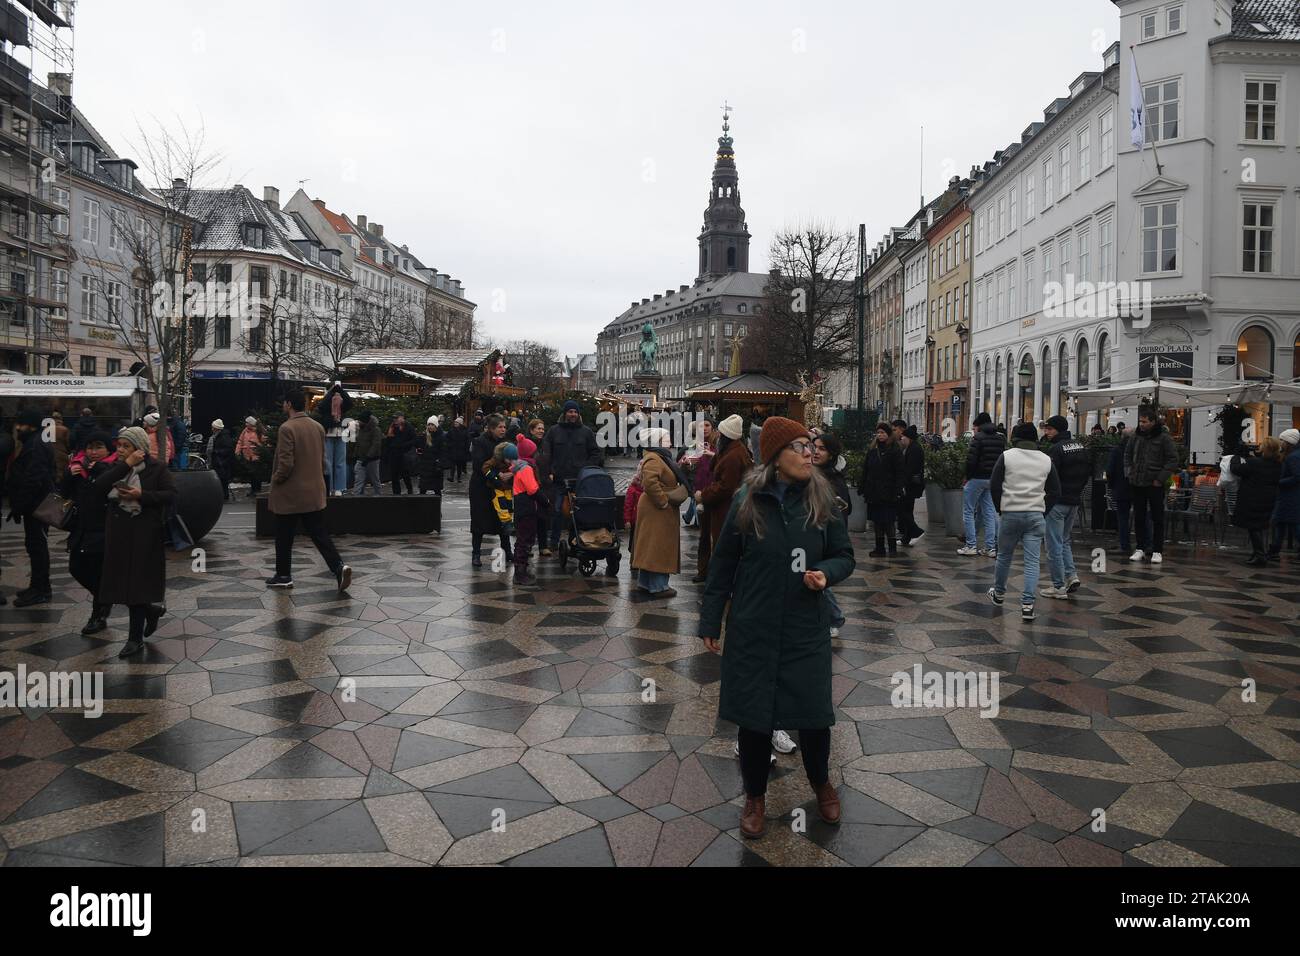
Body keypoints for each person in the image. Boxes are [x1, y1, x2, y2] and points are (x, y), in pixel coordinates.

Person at [700, 415, 856, 838]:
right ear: (774, 457)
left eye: (810, 446)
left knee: (813, 716)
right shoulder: (747, 501)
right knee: (754, 719)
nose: (809, 453)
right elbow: (723, 566)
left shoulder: (821, 501)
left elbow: (845, 555)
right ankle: (754, 796)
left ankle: (821, 783)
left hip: (805, 627)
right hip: (754, 626)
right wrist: (710, 619)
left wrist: (826, 571)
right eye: (799, 447)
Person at [91, 427, 174, 657]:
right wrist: (125, 464)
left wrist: (142, 496)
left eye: (126, 446)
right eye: (119, 445)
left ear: (140, 448)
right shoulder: (117, 467)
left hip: (144, 532)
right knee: (122, 583)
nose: (120, 450)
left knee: (137, 585)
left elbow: (171, 494)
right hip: (118, 532)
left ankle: (134, 639)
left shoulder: (156, 468)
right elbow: (98, 487)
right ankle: (150, 611)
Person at [266, 388, 352, 592]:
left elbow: (286, 463)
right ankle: (338, 567)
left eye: (284, 403)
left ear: (288, 404)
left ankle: (283, 575)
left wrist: (276, 480)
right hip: (313, 492)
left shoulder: (287, 428)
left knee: (284, 536)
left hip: (291, 494)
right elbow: (323, 461)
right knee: (319, 534)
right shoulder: (317, 427)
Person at [988, 422, 1060, 623]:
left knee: (1004, 556)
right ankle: (1027, 605)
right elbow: (1055, 491)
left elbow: (994, 485)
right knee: (1032, 561)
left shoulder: (1007, 456)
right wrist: (1042, 510)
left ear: (1015, 437)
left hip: (1010, 513)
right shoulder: (1046, 460)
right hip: (1035, 515)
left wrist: (1000, 508)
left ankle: (999, 594)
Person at [61, 432, 117, 635]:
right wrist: (70, 475)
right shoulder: (79, 467)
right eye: (90, 447)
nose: (93, 452)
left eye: (98, 447)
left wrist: (98, 471)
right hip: (81, 528)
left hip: (103, 529)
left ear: (108, 449)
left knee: (98, 571)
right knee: (76, 568)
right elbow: (64, 493)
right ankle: (105, 599)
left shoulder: (113, 467)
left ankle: (98, 615)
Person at [631, 427, 687, 598]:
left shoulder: (660, 457)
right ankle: (658, 586)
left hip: (655, 508)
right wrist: (662, 501)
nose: (670, 441)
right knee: (657, 546)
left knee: (651, 546)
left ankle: (646, 583)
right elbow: (650, 482)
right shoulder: (655, 458)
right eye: (667, 438)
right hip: (656, 509)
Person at [7, 409, 55, 607]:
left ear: (32, 426)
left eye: (22, 425)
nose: (18, 428)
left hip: (39, 506)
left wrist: (19, 505)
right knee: (34, 546)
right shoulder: (34, 442)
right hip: (34, 505)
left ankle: (41, 589)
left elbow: (33, 479)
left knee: (37, 546)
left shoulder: (36, 445)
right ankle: (36, 585)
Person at [1040, 415, 1090, 600]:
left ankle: (1058, 586)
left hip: (1058, 502)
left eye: (1049, 429)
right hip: (1074, 501)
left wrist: (1048, 498)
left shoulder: (1056, 449)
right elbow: (1087, 473)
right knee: (1065, 540)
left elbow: (1050, 476)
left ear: (1058, 430)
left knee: (1053, 544)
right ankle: (1071, 576)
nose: (1046, 432)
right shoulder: (1081, 446)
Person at [543, 400, 602, 554]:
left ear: (578, 414)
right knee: (557, 511)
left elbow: (595, 453)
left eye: (575, 412)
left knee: (579, 511)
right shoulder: (554, 431)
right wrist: (549, 470)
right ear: (565, 413)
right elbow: (546, 454)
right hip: (559, 479)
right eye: (570, 412)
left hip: (580, 480)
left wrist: (586, 468)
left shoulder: (586, 432)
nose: (573, 414)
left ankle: (575, 539)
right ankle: (554, 542)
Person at [700, 413, 754, 573]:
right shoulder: (730, 450)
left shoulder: (733, 455)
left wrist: (703, 494)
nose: (718, 435)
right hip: (722, 507)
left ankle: (722, 582)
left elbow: (725, 487)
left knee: (722, 545)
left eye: (721, 433)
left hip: (726, 508)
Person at [1125, 406, 1179, 564]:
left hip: (1154, 483)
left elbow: (1172, 459)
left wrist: (1160, 479)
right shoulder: (1135, 436)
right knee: (1139, 516)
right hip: (1137, 482)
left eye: (1144, 421)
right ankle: (1140, 548)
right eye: (1140, 421)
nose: (1141, 424)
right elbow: (1127, 454)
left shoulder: (1163, 438)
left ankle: (1157, 550)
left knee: (1157, 517)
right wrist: (1129, 471)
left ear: (1153, 422)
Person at [813, 431, 851, 638]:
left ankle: (834, 617)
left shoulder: (833, 479)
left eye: (822, 448)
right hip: (811, 532)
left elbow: (843, 510)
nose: (816, 452)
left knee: (816, 576)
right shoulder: (810, 471)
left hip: (824, 536)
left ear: (831, 453)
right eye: (814, 447)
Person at [1232, 437, 1284, 566]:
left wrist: (1236, 456)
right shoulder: (1278, 464)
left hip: (1252, 499)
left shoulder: (1255, 463)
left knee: (1253, 526)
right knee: (1257, 526)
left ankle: (1260, 555)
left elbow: (1237, 469)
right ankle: (1257, 553)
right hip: (1268, 499)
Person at [469, 414, 511, 568]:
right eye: (500, 427)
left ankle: (507, 550)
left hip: (500, 487)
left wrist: (510, 473)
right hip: (481, 488)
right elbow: (479, 464)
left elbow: (512, 460)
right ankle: (476, 553)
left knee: (503, 518)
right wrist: (496, 475)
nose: (503, 429)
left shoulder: (505, 443)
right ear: (492, 428)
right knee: (479, 521)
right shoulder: (479, 442)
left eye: (504, 427)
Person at [959, 412, 1003, 556]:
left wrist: (967, 476)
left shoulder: (977, 438)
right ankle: (991, 548)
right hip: (992, 479)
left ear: (978, 426)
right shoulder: (1000, 438)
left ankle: (971, 545)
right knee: (989, 512)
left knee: (968, 511)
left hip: (977, 478)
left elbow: (971, 460)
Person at [858, 421, 903, 558]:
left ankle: (892, 548)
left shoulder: (894, 450)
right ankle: (879, 548)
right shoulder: (873, 450)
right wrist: (863, 486)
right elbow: (866, 469)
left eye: (882, 432)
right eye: (878, 433)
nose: (880, 435)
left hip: (888, 492)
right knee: (877, 521)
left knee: (888, 521)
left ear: (888, 434)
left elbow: (899, 472)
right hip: (874, 492)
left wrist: (897, 490)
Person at [682, 419, 716, 580]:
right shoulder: (695, 444)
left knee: (716, 535)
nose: (704, 429)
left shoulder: (720, 442)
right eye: (701, 426)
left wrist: (713, 456)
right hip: (700, 493)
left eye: (707, 425)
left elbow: (726, 462)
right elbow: (689, 466)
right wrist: (687, 463)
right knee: (704, 535)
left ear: (713, 427)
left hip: (717, 493)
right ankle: (702, 571)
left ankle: (716, 571)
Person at [510, 440, 546, 587]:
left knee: (522, 540)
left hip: (521, 507)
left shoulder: (519, 466)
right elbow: (532, 489)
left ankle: (520, 571)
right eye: (534, 451)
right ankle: (520, 574)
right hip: (526, 508)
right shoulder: (526, 468)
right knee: (524, 540)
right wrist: (545, 501)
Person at [314, 383, 353, 497]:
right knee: (328, 463)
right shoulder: (326, 404)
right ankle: (329, 487)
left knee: (340, 463)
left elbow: (350, 403)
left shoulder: (343, 404)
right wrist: (331, 392)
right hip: (328, 433)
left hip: (341, 433)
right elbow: (322, 406)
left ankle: (340, 488)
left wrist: (341, 390)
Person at [1268, 429, 1300, 561]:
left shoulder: (1293, 457)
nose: (1280, 443)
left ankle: (1274, 550)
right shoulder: (1293, 455)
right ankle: (1274, 550)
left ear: (1289, 442)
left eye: (1282, 440)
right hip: (1289, 497)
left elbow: (1297, 476)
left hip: (1290, 497)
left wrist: (1278, 482)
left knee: (1291, 524)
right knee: (1281, 523)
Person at [897, 424, 926, 546]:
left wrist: (902, 483)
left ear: (909, 438)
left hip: (911, 485)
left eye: (903, 437)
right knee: (907, 509)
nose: (901, 439)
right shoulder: (911, 448)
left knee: (903, 510)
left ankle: (916, 531)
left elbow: (910, 469)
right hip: (911, 484)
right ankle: (907, 537)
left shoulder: (914, 449)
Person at [527, 419, 552, 554]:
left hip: (544, 482)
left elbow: (551, 459)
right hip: (530, 483)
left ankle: (543, 546)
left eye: (542, 429)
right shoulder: (525, 444)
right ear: (531, 430)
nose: (541, 431)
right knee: (530, 516)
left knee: (543, 516)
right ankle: (528, 545)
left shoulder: (546, 444)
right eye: (538, 428)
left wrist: (551, 473)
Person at [1107, 431, 1134, 554]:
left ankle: (1125, 545)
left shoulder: (1117, 451)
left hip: (1121, 488)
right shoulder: (1138, 451)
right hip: (1137, 487)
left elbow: (1110, 471)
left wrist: (1112, 485)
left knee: (1123, 518)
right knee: (1142, 516)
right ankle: (1145, 545)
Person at [351, 410, 383, 495]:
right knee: (359, 479)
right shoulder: (361, 429)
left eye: (360, 420)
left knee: (375, 479)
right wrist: (355, 455)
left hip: (372, 459)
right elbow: (359, 443)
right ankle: (357, 496)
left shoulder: (375, 430)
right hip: (361, 458)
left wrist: (368, 456)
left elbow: (376, 444)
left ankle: (379, 495)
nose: (358, 422)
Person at [385, 412, 418, 495]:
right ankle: (396, 493)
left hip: (404, 454)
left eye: (397, 418)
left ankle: (409, 489)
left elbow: (414, 440)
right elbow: (388, 440)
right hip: (394, 454)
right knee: (394, 475)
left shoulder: (408, 427)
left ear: (402, 418)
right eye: (394, 418)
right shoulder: (392, 427)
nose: (395, 420)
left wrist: (404, 445)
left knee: (405, 474)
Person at [236, 416, 266, 495]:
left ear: (251, 424)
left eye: (247, 423)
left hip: (256, 456)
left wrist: (263, 451)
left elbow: (265, 441)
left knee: (257, 474)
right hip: (247, 456)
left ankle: (257, 490)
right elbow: (240, 441)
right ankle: (253, 490)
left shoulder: (259, 431)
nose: (246, 424)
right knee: (251, 474)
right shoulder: (245, 431)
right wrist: (237, 451)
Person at [417, 415, 446, 496]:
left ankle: (437, 507)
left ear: (436, 425)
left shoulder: (441, 437)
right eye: (429, 424)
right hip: (425, 466)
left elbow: (443, 451)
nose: (430, 426)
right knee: (423, 490)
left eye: (432, 424)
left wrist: (440, 464)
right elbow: (419, 446)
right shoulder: (425, 436)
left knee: (437, 490)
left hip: (435, 467)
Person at [209, 419, 235, 500]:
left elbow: (228, 449)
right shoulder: (220, 436)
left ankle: (224, 495)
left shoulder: (223, 437)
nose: (212, 429)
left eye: (213, 427)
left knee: (223, 479)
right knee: (222, 479)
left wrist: (217, 452)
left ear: (217, 428)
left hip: (222, 462)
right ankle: (223, 495)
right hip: (220, 461)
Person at [447, 417, 470, 484]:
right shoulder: (451, 430)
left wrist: (466, 449)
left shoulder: (464, 431)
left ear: (460, 423)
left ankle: (459, 478)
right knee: (452, 464)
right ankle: (451, 477)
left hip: (461, 450)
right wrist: (449, 445)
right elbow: (447, 438)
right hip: (453, 449)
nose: (455, 423)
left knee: (459, 465)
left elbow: (467, 440)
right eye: (455, 422)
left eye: (457, 422)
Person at [50, 410, 70, 480]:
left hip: (49, 454)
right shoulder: (64, 429)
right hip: (62, 454)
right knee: (61, 473)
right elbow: (68, 444)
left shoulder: (46, 429)